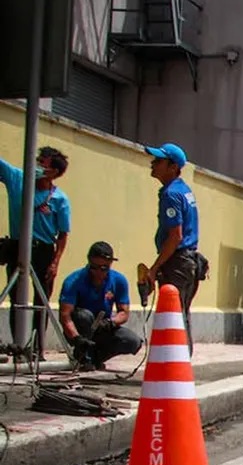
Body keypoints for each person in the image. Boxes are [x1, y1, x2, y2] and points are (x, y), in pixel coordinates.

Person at [1, 146, 71, 359]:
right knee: (16, 299)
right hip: (17, 246)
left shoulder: (59, 199)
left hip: (43, 251)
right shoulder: (17, 179)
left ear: (55, 172)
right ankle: (18, 348)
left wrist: (55, 262)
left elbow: (63, 235)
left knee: (41, 301)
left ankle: (36, 349)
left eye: (43, 163)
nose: (38, 166)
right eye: (37, 160)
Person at [143, 141, 200, 355]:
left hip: (177, 261)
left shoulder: (171, 194)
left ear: (173, 167)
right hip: (187, 260)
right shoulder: (183, 190)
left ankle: (177, 369)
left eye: (159, 161)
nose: (153, 164)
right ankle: (180, 366)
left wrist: (155, 267)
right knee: (180, 314)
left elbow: (175, 236)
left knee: (173, 315)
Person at [58, 241, 143, 371]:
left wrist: (111, 322)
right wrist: (76, 338)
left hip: (103, 327)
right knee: (84, 316)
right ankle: (83, 354)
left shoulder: (119, 281)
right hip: (80, 328)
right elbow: (65, 316)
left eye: (104, 268)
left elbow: (124, 313)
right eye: (94, 267)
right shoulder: (73, 281)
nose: (98, 272)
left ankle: (96, 358)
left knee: (132, 341)